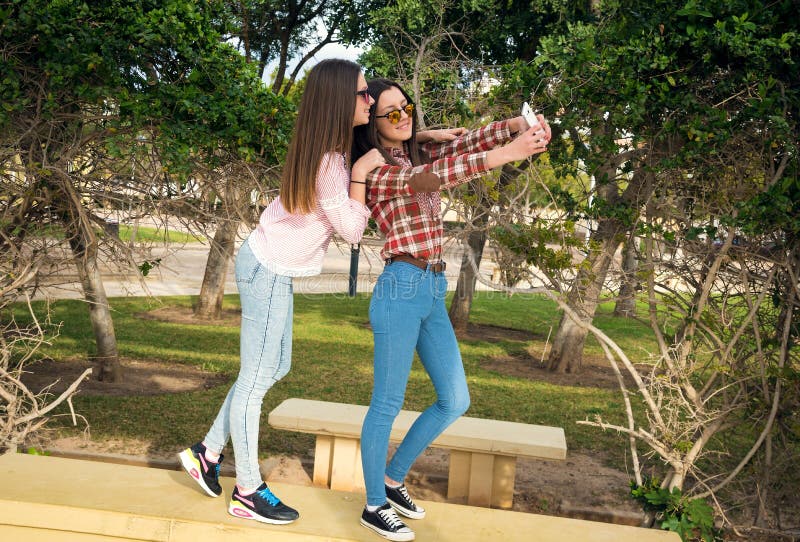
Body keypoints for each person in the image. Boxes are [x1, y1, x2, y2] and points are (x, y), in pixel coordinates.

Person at [177, 59, 386, 525]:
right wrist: (364, 174)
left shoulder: (326, 150)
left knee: (274, 366)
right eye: (361, 93)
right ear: (338, 100)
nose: (370, 100)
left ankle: (208, 452)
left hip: (269, 266)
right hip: (268, 268)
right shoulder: (334, 163)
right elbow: (353, 229)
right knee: (255, 379)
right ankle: (247, 489)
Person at [352, 78, 552, 541]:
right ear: (374, 124)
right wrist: (510, 154)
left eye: (407, 107)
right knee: (386, 402)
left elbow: (468, 143)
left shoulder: (415, 153)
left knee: (455, 399)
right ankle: (373, 505)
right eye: (393, 113)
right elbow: (435, 178)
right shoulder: (376, 170)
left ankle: (391, 477)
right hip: (400, 287)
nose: (405, 117)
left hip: (430, 287)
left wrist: (518, 127)